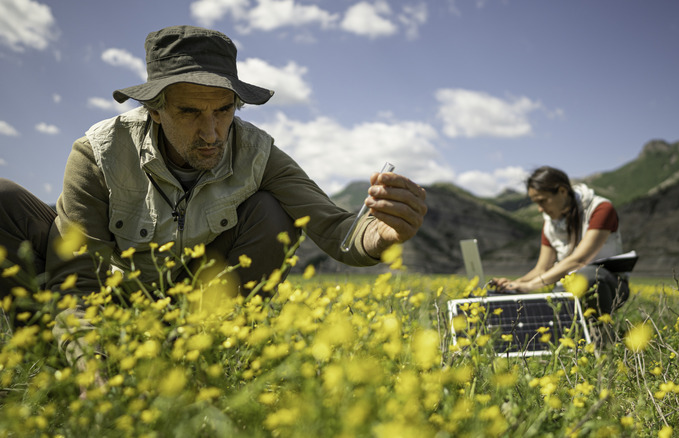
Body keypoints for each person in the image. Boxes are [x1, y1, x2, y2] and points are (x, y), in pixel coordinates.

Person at [0, 25, 426, 359]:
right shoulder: (99, 154)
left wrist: (382, 235)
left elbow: (337, 230)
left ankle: (214, 353)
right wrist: (91, 369)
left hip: (195, 315)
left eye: (223, 111)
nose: (211, 132)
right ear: (154, 109)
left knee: (271, 210)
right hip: (111, 306)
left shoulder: (257, 153)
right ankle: (44, 356)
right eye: (189, 112)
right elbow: (76, 282)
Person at [490, 166, 629, 316]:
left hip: (609, 284)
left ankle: (600, 333)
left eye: (542, 201)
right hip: (567, 285)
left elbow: (579, 260)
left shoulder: (601, 209)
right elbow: (541, 270)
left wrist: (530, 286)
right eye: (536, 203)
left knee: (587, 275)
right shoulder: (549, 223)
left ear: (562, 191)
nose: (540, 209)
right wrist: (514, 285)